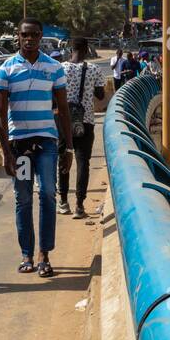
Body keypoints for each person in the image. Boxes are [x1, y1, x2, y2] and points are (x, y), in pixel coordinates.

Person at [0, 18, 73, 278]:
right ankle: (26, 254)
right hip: (21, 147)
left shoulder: (54, 68)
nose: (29, 39)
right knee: (24, 198)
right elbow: (0, 116)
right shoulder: (6, 70)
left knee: (48, 193)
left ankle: (44, 254)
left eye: (34, 35)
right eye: (25, 35)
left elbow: (62, 110)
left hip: (46, 142)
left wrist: (68, 148)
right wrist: (6, 153)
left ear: (41, 37)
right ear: (18, 36)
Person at [58, 38, 105, 219]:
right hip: (85, 121)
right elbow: (100, 96)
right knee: (83, 163)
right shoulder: (94, 70)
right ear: (86, 50)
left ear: (71, 49)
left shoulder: (60, 69)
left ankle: (63, 202)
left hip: (64, 121)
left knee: (63, 160)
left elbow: (54, 95)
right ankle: (79, 205)